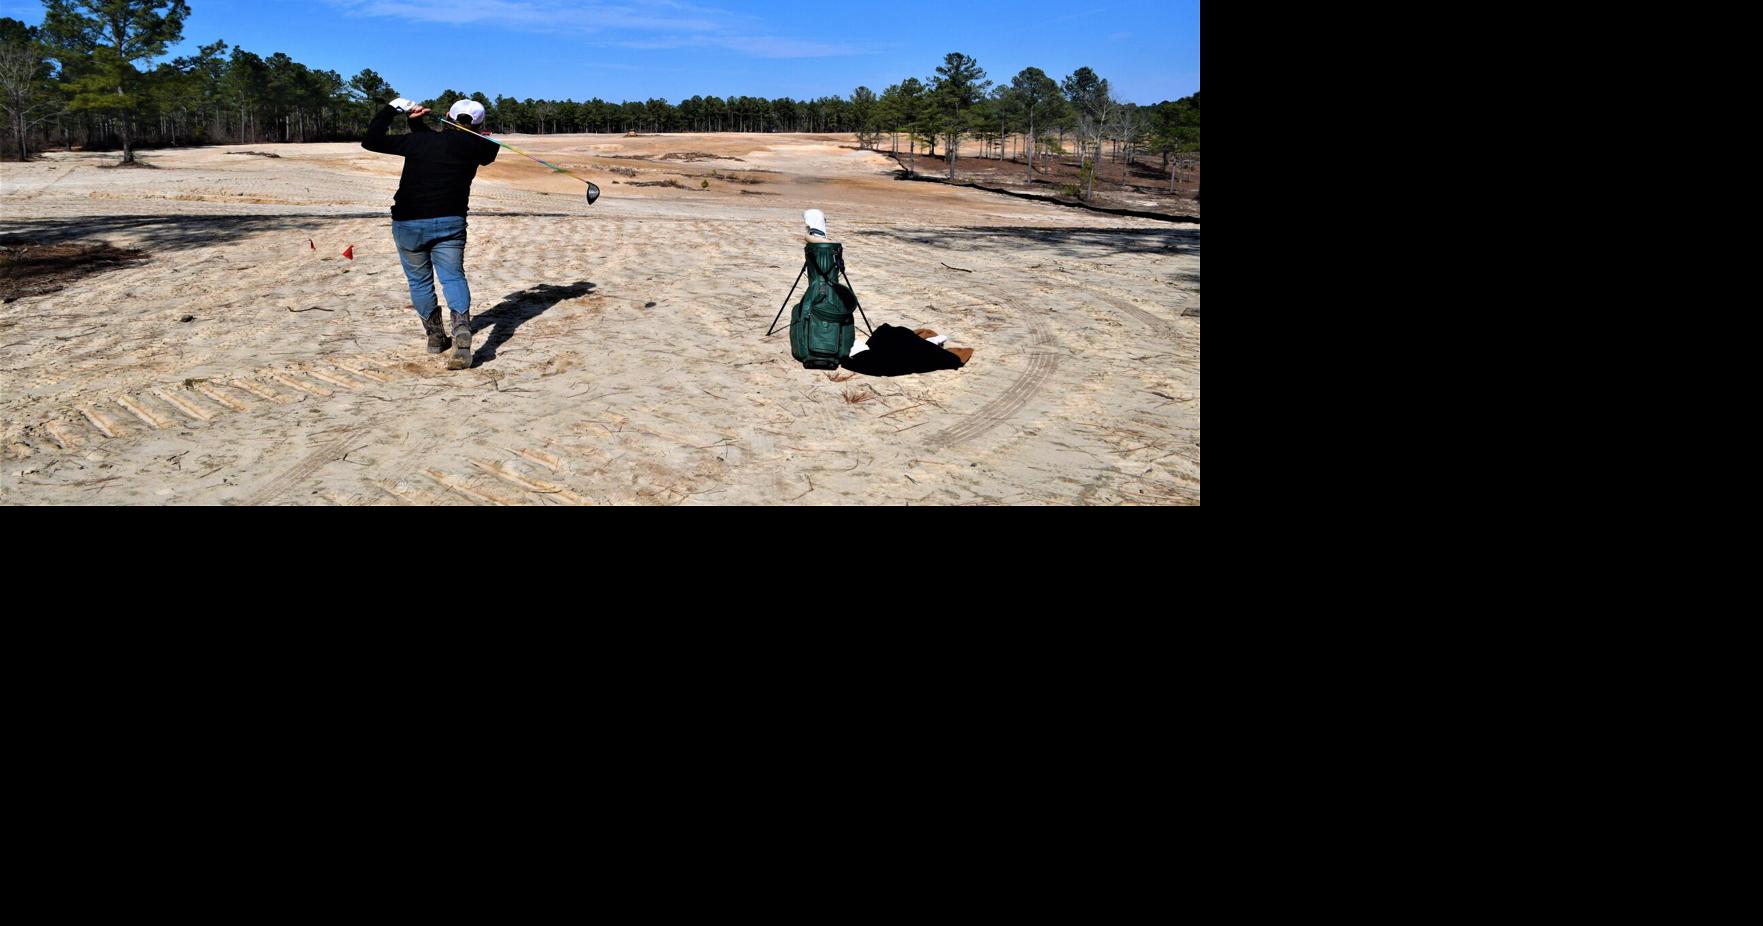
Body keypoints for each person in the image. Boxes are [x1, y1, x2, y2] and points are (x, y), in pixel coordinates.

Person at [362, 97, 499, 369]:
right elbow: (463, 146)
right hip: (450, 221)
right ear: (480, 124)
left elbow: (371, 140)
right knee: (453, 277)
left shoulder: (421, 142)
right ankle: (461, 329)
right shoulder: (482, 147)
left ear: (447, 115)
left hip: (409, 223)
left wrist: (393, 109)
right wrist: (418, 124)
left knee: (419, 282)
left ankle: (435, 338)